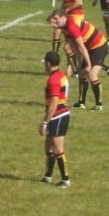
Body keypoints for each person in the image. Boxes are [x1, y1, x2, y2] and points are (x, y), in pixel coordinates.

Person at [54, 0, 109, 77]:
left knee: (71, 46)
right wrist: (61, 11)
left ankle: (75, 69)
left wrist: (67, 10)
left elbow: (78, 2)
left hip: (76, 17)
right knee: (68, 43)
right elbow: (65, 4)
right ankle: (79, 68)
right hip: (69, 16)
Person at [48, 8, 108, 111]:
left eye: (56, 19)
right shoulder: (64, 27)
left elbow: (81, 46)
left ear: (63, 17)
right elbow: (73, 46)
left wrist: (88, 65)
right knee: (82, 73)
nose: (54, 22)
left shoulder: (71, 26)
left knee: (92, 74)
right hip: (89, 48)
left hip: (99, 46)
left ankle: (99, 105)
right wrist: (79, 63)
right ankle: (81, 102)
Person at [39, 52, 71, 188]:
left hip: (58, 115)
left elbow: (53, 103)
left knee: (58, 149)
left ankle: (65, 180)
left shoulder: (53, 80)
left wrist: (45, 122)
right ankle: (48, 176)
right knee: (48, 147)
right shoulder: (60, 74)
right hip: (59, 114)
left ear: (48, 63)